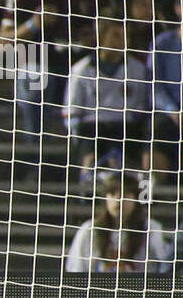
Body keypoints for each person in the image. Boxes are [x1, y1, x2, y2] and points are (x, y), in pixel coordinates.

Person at [63, 15, 150, 184]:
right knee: (90, 144)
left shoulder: (138, 70)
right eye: (116, 35)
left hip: (125, 126)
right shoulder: (81, 70)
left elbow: (142, 108)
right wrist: (75, 133)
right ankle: (86, 189)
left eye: (126, 36)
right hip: (92, 125)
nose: (122, 41)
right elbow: (71, 112)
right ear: (101, 36)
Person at [65, 172, 172, 271]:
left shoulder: (150, 228)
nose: (119, 200)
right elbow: (75, 269)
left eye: (125, 194)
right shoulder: (89, 229)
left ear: (136, 199)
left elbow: (164, 265)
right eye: (112, 194)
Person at [147, 0, 183, 187]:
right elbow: (154, 86)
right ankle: (148, 196)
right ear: (178, 8)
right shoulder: (163, 43)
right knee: (155, 132)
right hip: (170, 113)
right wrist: (172, 110)